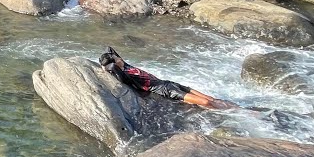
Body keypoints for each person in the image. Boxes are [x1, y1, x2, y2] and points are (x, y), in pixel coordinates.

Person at [98, 47, 236, 110]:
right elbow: (113, 71)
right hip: (166, 91)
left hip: (169, 83)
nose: (120, 57)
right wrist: (106, 67)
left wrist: (110, 57)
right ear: (114, 64)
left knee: (212, 99)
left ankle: (242, 110)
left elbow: (110, 49)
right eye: (117, 59)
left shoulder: (126, 65)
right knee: (205, 102)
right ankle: (229, 112)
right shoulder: (125, 75)